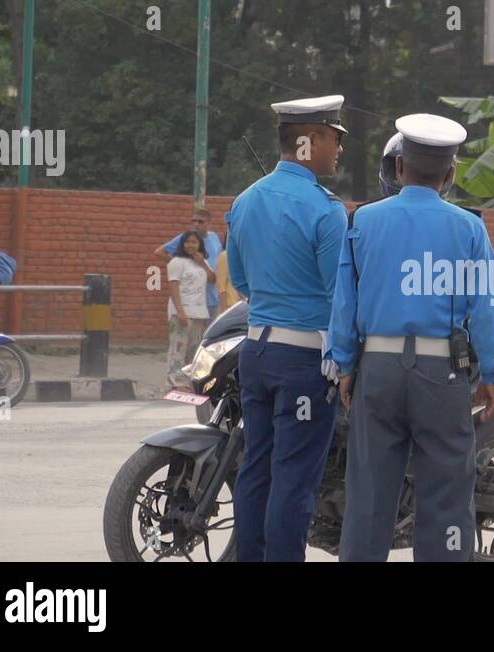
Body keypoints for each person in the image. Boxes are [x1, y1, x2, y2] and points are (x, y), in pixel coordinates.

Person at [329, 113, 494, 562]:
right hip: (441, 375)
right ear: (450, 174)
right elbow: (485, 308)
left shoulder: (362, 222)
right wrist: (490, 372)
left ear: (399, 168)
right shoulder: (469, 228)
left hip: (378, 371)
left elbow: (344, 304)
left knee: (368, 494)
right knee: (447, 494)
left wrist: (345, 366)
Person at [225, 94, 348, 562]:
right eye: (334, 138)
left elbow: (241, 282)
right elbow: (341, 296)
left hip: (255, 353)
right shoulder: (325, 209)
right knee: (294, 480)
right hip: (303, 361)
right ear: (309, 139)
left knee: (256, 471)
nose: (338, 148)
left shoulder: (245, 200)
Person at [165, 230, 215, 388]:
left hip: (199, 313)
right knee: (178, 347)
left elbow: (213, 279)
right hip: (181, 313)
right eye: (187, 242)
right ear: (182, 244)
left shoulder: (201, 261)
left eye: (194, 242)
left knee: (193, 350)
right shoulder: (177, 262)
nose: (191, 245)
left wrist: (202, 263)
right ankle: (175, 381)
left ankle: (188, 380)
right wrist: (180, 311)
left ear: (200, 244)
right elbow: (173, 286)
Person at [155, 208, 223, 319]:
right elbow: (159, 252)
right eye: (194, 221)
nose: (196, 224)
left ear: (209, 223)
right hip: (191, 297)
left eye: (200, 222)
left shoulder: (214, 237)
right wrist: (183, 266)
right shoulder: (186, 239)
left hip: (212, 295)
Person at [214, 238, 241, 312]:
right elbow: (220, 286)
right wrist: (223, 310)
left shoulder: (247, 256)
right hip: (231, 306)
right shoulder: (225, 255)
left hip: (246, 306)